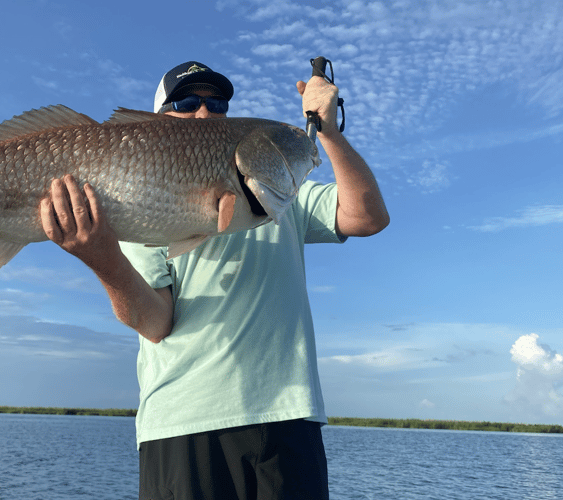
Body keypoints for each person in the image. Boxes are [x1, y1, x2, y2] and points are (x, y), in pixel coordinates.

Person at [39, 61, 389, 499]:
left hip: (288, 417)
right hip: (183, 424)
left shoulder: (286, 194)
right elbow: (154, 322)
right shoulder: (130, 207)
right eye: (186, 103)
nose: (204, 113)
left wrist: (329, 130)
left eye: (217, 103)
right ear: (155, 121)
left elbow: (368, 216)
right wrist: (101, 258)